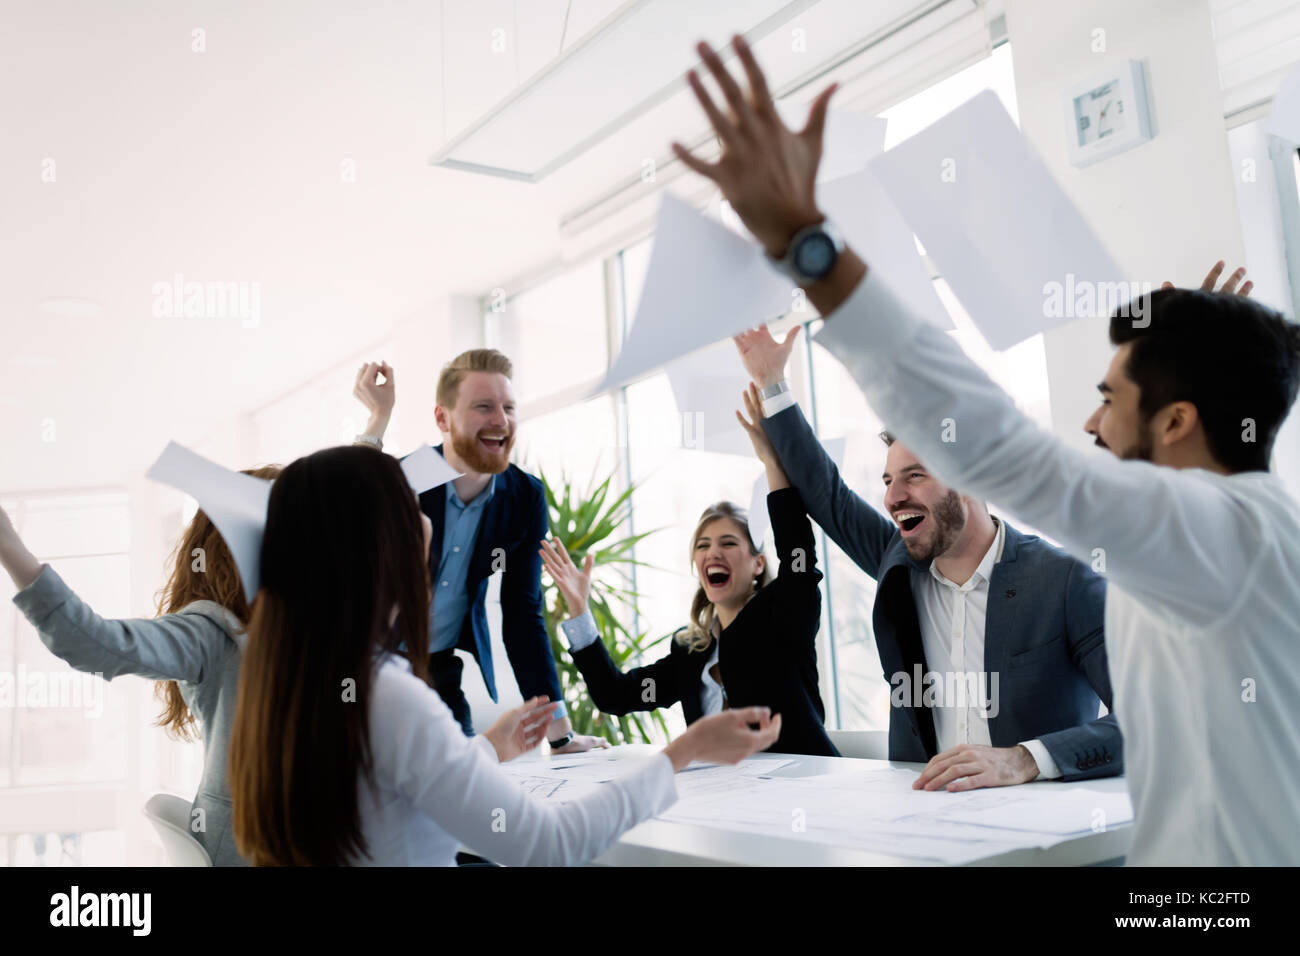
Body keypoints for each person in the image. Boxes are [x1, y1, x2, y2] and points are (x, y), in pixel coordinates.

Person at [673, 34, 1300, 864]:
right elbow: (832, 493)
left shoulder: (1205, 527)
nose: (1090, 425)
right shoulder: (1218, 537)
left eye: (1111, 399)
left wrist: (807, 242)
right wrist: (1211, 351)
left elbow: (998, 442)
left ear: (1179, 422)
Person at [227, 445, 782, 866]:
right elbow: (549, 845)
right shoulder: (390, 696)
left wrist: (487, 749)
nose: (427, 520)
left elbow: (393, 785)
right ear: (373, 545)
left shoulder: (287, 679)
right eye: (409, 508)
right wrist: (681, 753)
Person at [732, 326, 1120, 788]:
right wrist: (773, 384)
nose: (893, 497)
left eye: (914, 475)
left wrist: (1024, 759)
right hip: (924, 827)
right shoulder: (897, 564)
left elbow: (1148, 717)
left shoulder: (1066, 580)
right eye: (888, 480)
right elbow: (827, 494)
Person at [1, 464, 281, 867]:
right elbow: (95, 642)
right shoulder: (210, 633)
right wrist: (9, 544)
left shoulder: (309, 630)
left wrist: (374, 432)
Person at [540, 384, 836, 757]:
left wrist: (772, 464)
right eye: (702, 545)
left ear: (758, 563)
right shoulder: (690, 649)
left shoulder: (784, 618)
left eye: (728, 543)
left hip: (803, 790)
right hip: (729, 800)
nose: (713, 553)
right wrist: (579, 610)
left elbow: (800, 563)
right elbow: (616, 695)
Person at [359, 350, 603, 751]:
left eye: (509, 407)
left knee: (465, 784)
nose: (501, 421)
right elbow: (339, 508)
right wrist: (377, 420)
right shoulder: (404, 479)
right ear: (443, 419)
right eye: (484, 407)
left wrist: (558, 733)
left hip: (439, 671)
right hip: (369, 668)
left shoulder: (524, 497)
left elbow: (524, 613)